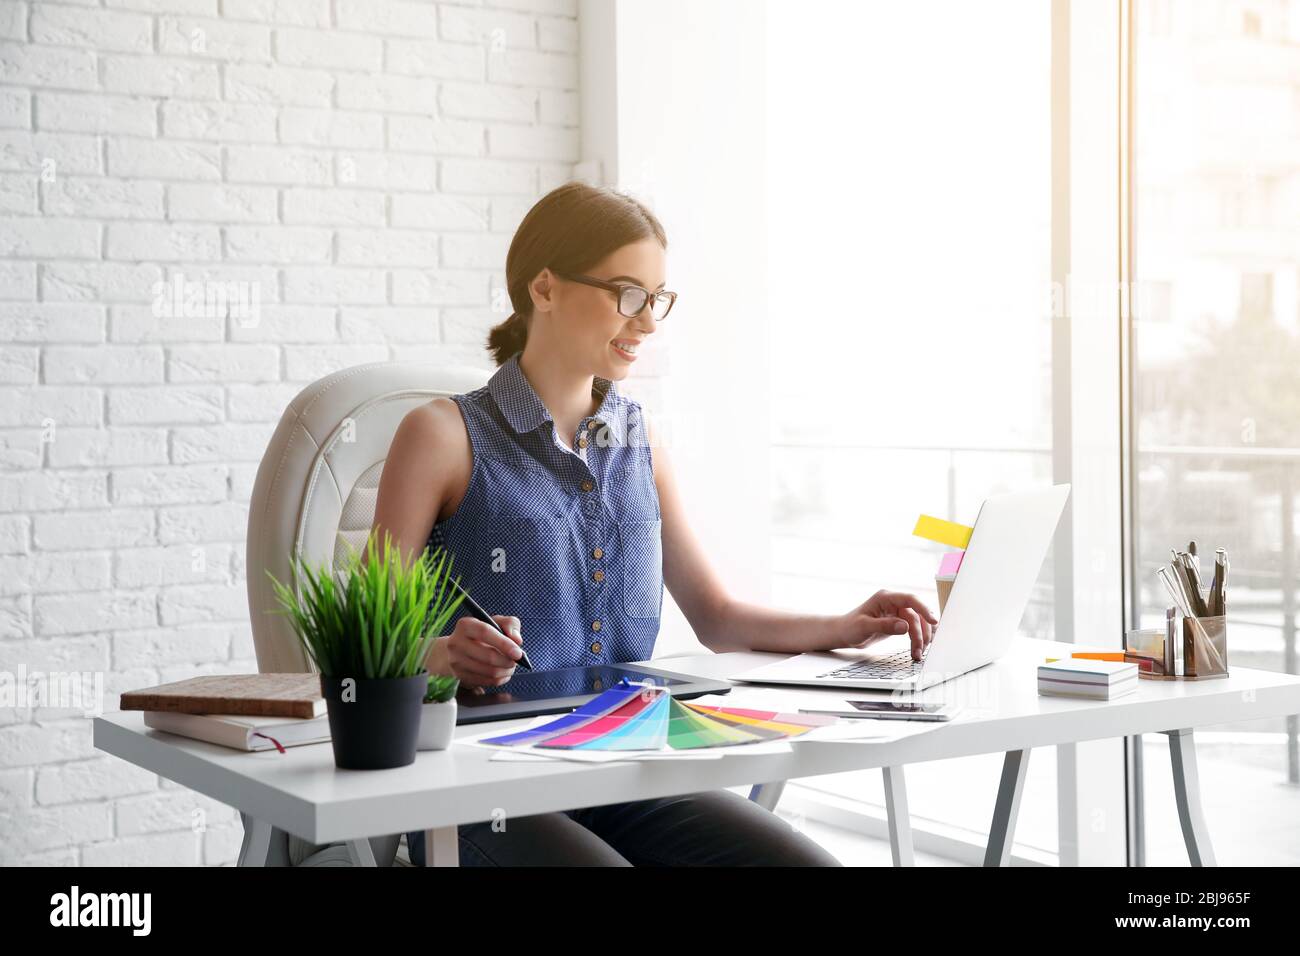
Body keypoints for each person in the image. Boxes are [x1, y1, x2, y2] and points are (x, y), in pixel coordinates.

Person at [372, 181, 938, 866]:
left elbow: (717, 614)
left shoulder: (638, 437)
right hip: (477, 781)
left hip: (621, 760)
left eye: (657, 298)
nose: (647, 322)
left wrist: (848, 625)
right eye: (627, 294)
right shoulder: (441, 435)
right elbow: (361, 650)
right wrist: (439, 654)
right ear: (543, 288)